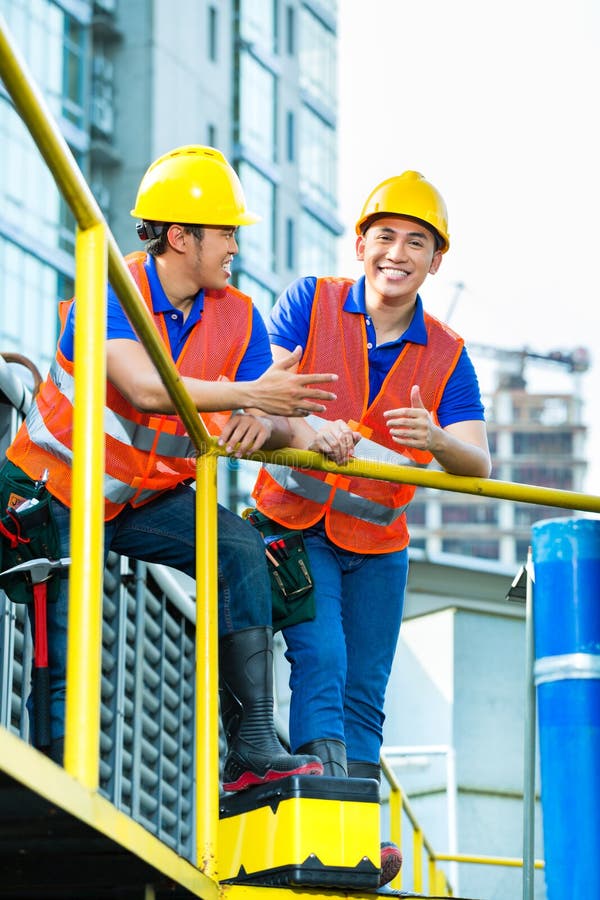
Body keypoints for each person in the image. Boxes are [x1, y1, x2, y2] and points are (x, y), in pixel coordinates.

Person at [0, 145, 340, 791]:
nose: (235, 245)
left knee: (238, 548)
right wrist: (248, 397)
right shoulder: (112, 287)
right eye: (226, 231)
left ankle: (251, 750)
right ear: (181, 237)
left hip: (138, 498)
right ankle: (56, 788)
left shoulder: (236, 313)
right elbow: (146, 390)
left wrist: (305, 430)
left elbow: (272, 410)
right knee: (68, 649)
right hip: (56, 491)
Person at [251, 171, 491, 881]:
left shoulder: (447, 353)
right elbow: (261, 395)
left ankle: (357, 832)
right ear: (360, 244)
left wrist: (436, 438)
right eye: (385, 236)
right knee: (320, 658)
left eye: (416, 242)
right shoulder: (311, 303)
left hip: (379, 548)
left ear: (435, 262)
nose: (398, 253)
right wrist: (308, 424)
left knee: (366, 689)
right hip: (295, 522)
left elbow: (474, 458)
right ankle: (322, 820)